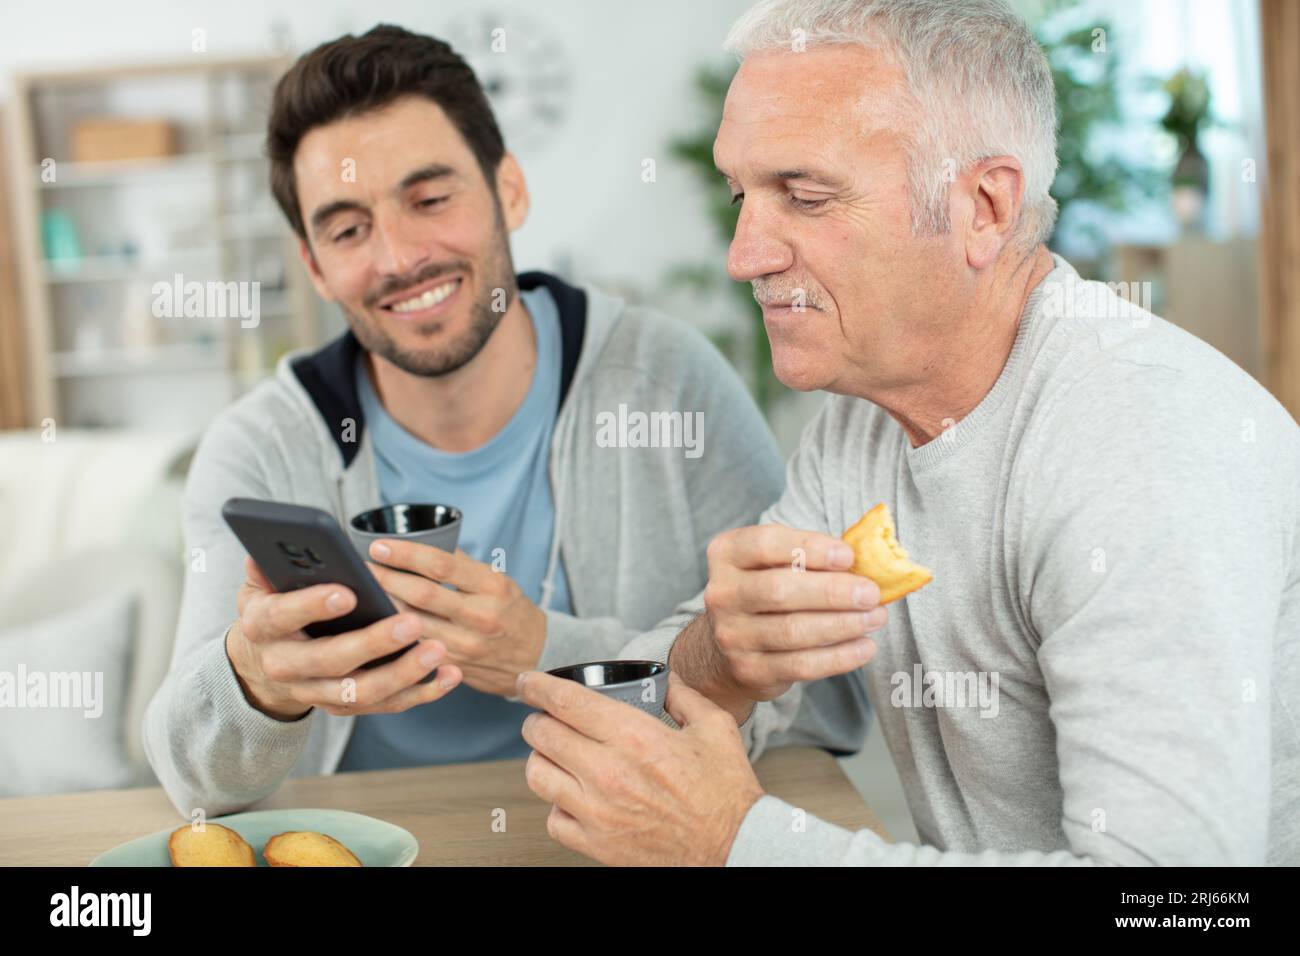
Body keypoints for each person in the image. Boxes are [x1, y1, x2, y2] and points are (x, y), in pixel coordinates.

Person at [518, 0, 1300, 866]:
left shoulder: (1142, 441)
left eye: (805, 196)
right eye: (743, 195)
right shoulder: (862, 421)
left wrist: (738, 845)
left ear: (984, 206)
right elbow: (631, 733)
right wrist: (722, 660)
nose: (744, 254)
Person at [143, 25, 786, 818]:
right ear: (314, 265)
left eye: (431, 198)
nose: (399, 257)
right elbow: (191, 778)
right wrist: (257, 679)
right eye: (347, 229)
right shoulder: (260, 448)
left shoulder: (668, 385)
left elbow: (816, 706)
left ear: (508, 189)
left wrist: (544, 653)